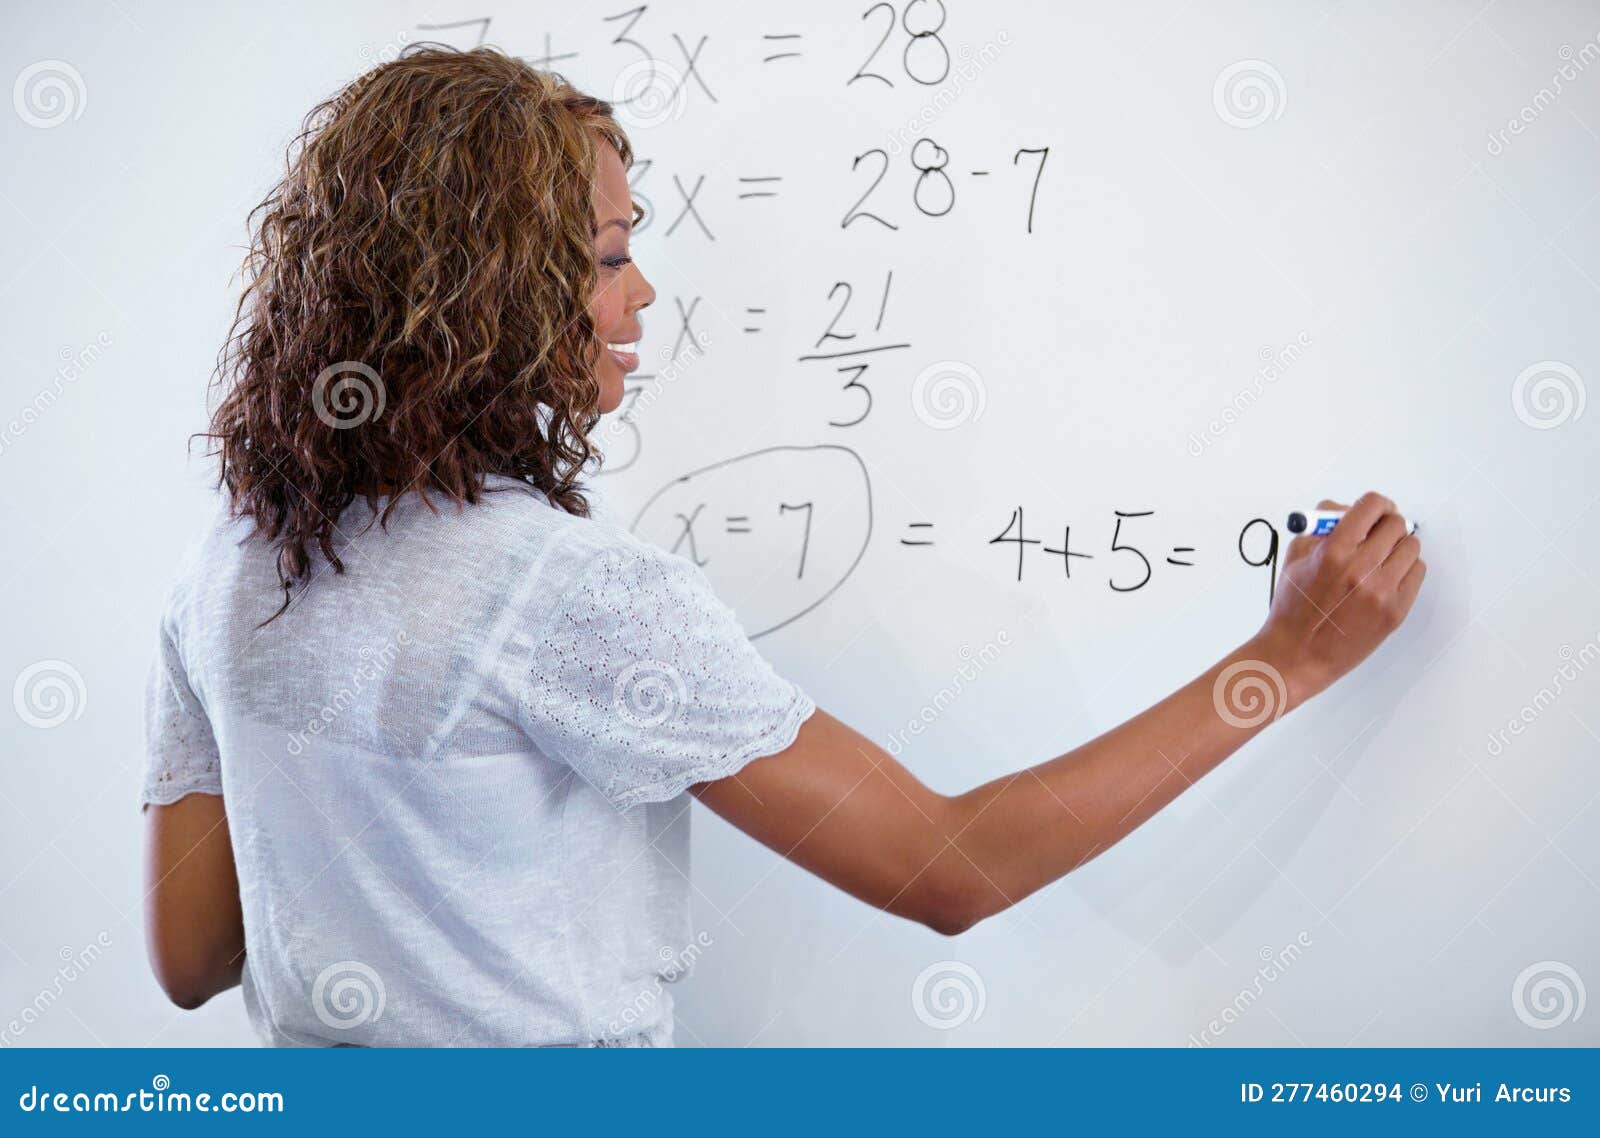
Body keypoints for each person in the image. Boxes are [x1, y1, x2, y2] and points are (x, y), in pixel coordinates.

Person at [141, 46, 1426, 1046]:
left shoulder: (233, 562)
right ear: (489, 290)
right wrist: (1291, 657)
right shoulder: (560, 590)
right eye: (608, 253)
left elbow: (191, 960)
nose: (640, 291)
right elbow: (951, 868)